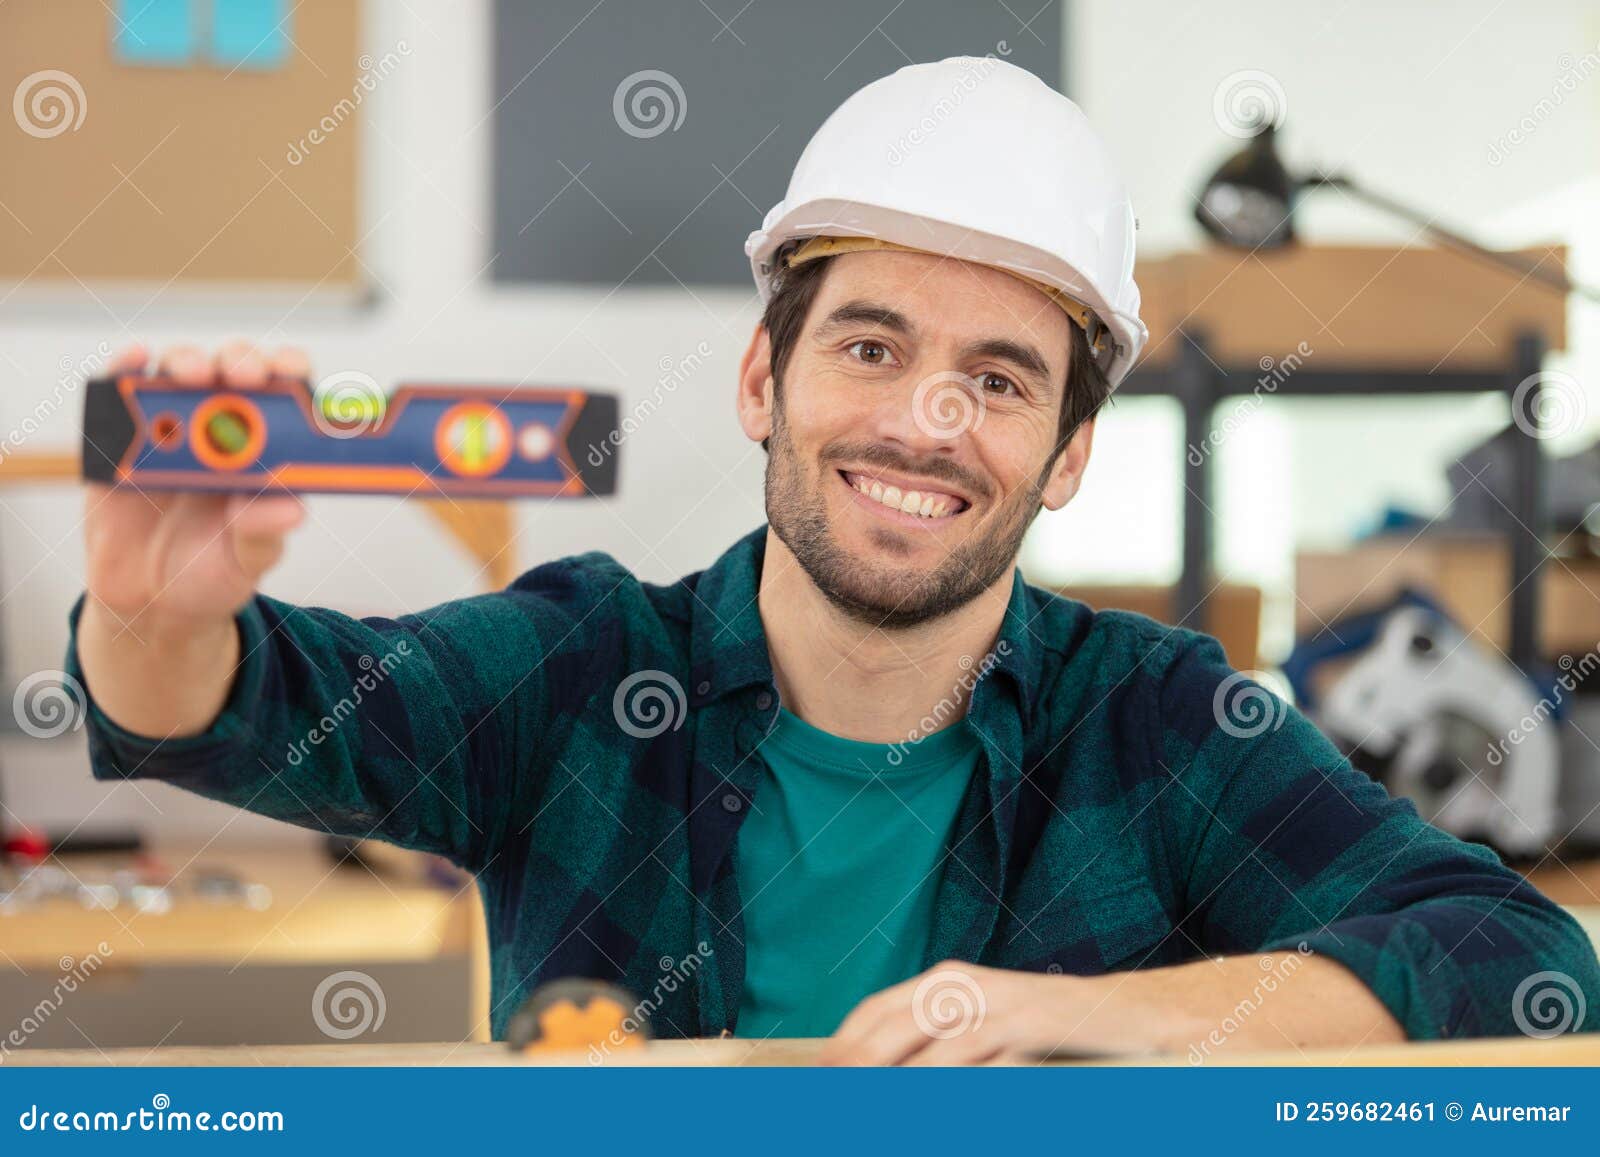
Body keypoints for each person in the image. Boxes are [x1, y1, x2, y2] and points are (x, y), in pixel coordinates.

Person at [70, 57, 1598, 1064]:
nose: (927, 422)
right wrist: (150, 613)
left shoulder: (1163, 725)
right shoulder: (583, 671)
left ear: (1070, 452)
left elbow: (1523, 960)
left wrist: (1118, 1021)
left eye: (998, 379)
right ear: (764, 380)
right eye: (872, 346)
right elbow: (240, 702)